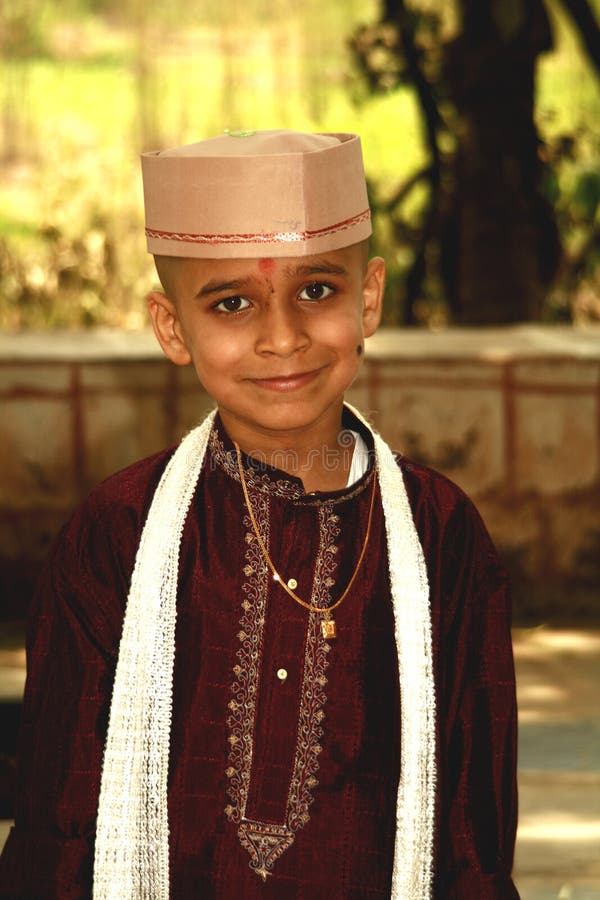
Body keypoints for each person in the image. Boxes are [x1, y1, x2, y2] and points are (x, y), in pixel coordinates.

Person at [0, 130, 519, 899]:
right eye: (232, 303)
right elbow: (59, 819)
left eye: (318, 292)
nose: (283, 338)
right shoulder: (119, 532)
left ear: (368, 298)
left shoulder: (439, 533)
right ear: (171, 328)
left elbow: (473, 832)